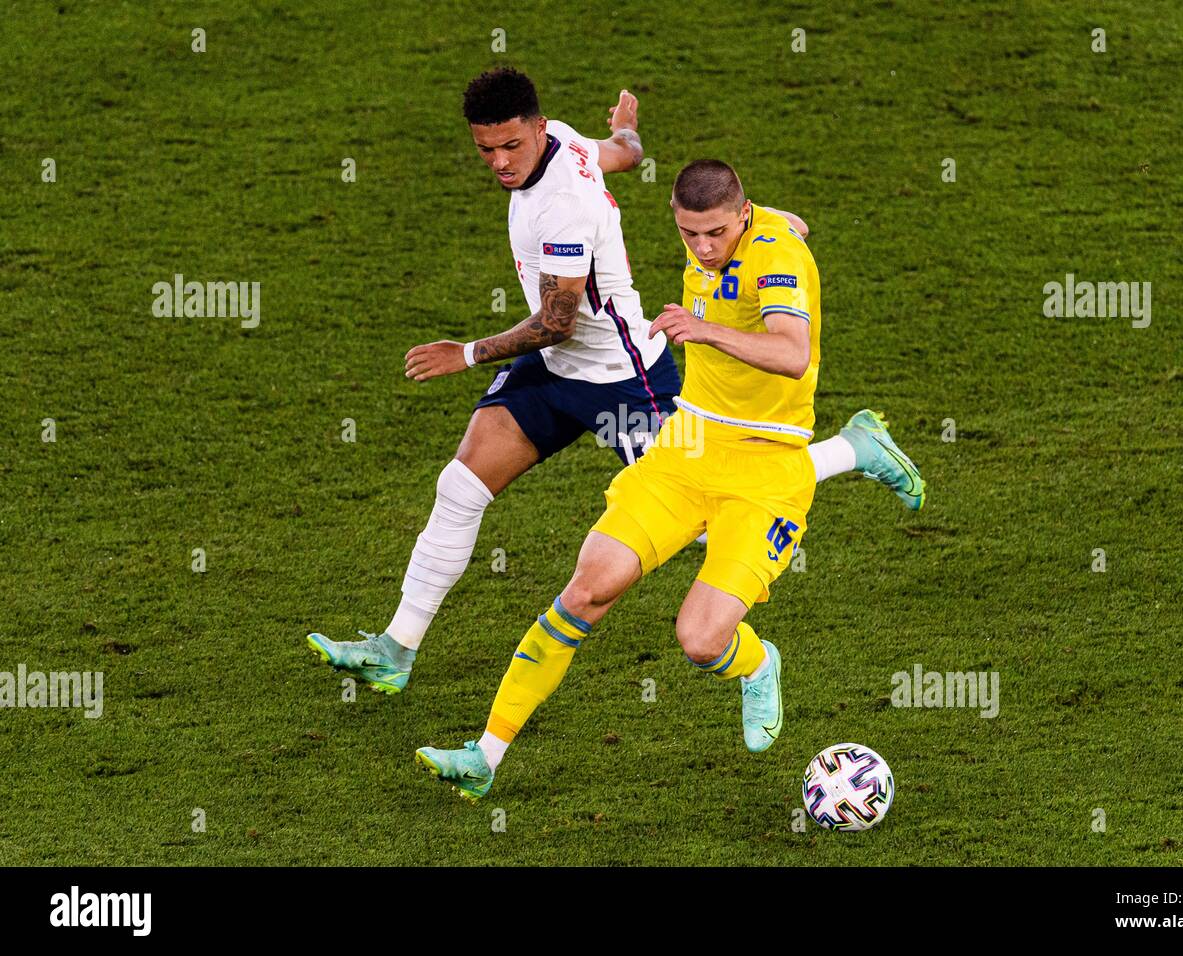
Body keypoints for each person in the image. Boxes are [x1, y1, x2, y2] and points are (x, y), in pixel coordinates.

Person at [307, 69, 924, 697]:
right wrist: (625, 127)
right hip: (552, 373)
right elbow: (624, 156)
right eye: (485, 150)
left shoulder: (564, 208)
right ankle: (395, 649)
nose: (499, 163)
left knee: (712, 515)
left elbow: (555, 320)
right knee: (460, 486)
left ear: (536, 130)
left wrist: (464, 354)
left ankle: (854, 449)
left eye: (510, 147)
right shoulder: (564, 141)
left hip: (623, 378)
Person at [416, 159, 923, 799]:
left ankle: (759, 664)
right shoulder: (739, 224)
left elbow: (792, 353)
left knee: (700, 638)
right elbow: (778, 222)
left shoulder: (776, 258)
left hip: (766, 470)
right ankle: (484, 755)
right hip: (684, 450)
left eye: (715, 234)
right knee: (588, 588)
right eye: (689, 235)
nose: (703, 249)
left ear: (741, 216)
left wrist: (701, 327)